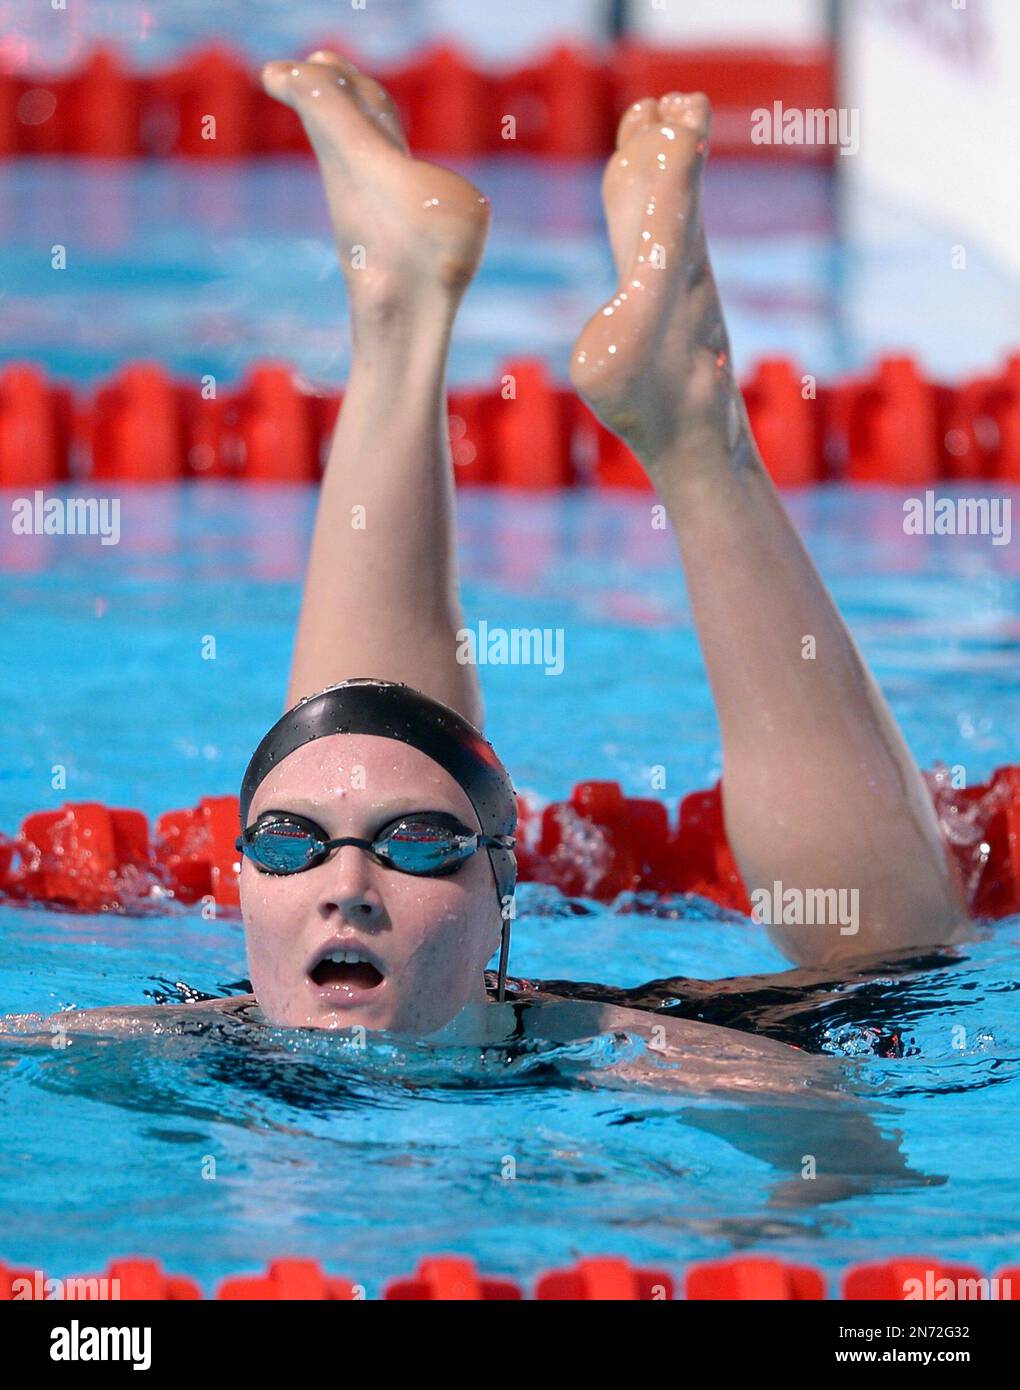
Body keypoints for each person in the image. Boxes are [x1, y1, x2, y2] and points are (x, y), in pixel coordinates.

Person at [2, 53, 970, 1093]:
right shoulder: (171, 1038)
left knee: (888, 975)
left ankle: (640, 409)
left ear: (503, 893)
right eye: (285, 847)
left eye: (420, 844)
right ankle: (465, 333)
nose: (345, 887)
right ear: (237, 884)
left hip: (679, 1035)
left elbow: (829, 1128)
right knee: (893, 965)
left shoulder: (655, 1062)